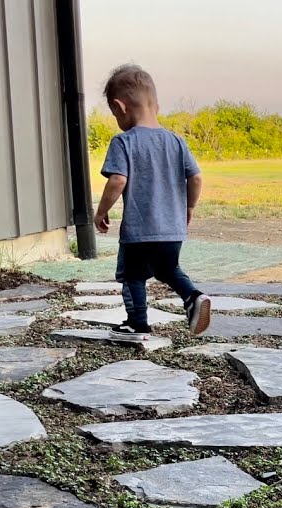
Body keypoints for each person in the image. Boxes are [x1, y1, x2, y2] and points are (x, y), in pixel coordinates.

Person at [93, 63, 211, 340]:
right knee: (168, 269)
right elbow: (195, 178)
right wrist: (189, 206)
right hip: (172, 230)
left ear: (120, 107)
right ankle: (193, 296)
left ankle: (137, 322)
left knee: (132, 275)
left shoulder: (124, 142)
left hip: (139, 232)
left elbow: (118, 180)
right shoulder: (176, 141)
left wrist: (101, 211)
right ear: (156, 105)